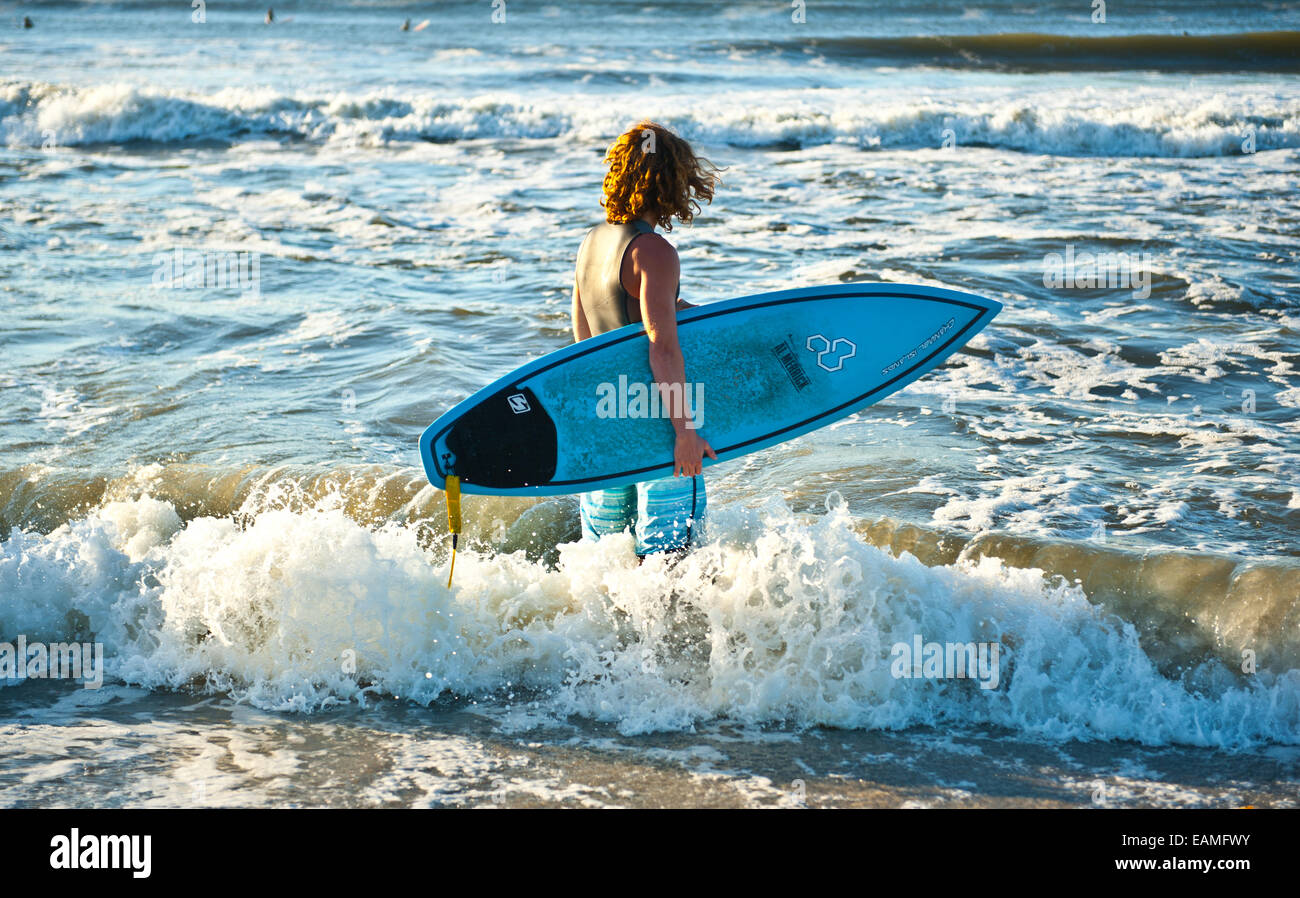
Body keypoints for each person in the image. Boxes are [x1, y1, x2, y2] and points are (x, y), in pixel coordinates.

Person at [572, 121, 720, 559]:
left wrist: (679, 309)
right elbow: (661, 346)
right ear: (670, 181)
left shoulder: (591, 244)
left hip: (607, 425)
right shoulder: (654, 252)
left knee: (607, 566)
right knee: (669, 571)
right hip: (655, 425)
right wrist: (685, 432)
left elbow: (586, 339)